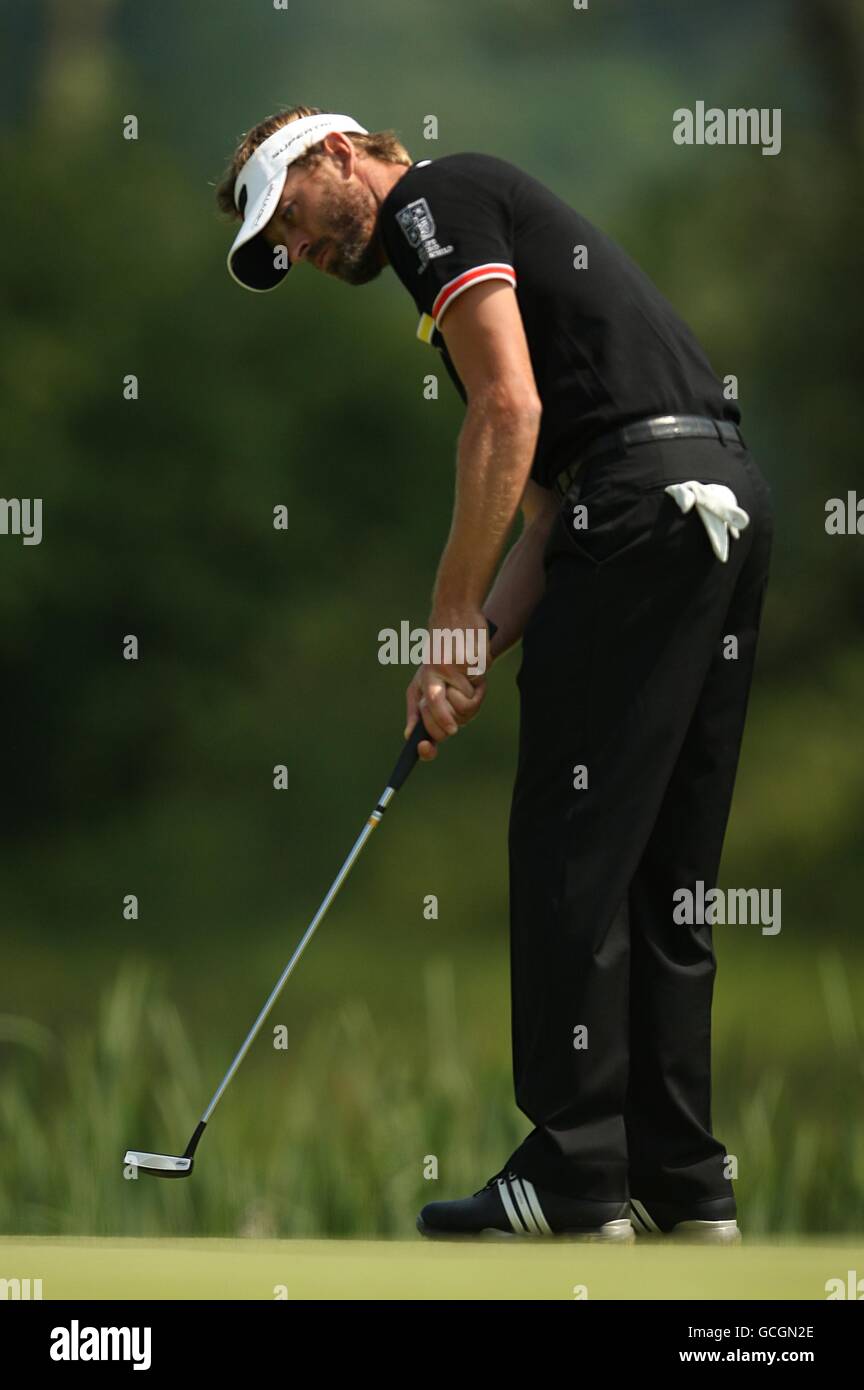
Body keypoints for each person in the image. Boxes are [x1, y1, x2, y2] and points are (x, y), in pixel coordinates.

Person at [217, 106, 773, 1242]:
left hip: (642, 509)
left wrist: (447, 611)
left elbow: (508, 414)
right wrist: (457, 664)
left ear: (337, 156)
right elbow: (556, 513)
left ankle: (574, 1171)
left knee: (572, 853)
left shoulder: (430, 202)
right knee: (667, 872)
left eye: (296, 222)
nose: (306, 255)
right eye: (284, 253)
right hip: (711, 504)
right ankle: (683, 1179)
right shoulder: (475, 217)